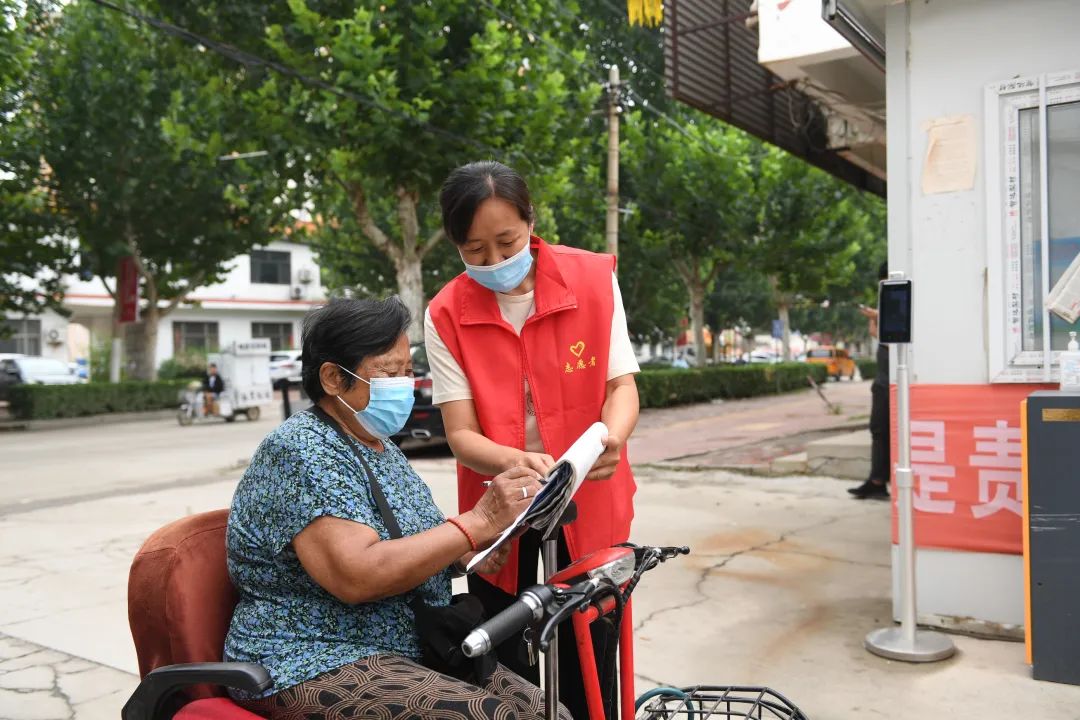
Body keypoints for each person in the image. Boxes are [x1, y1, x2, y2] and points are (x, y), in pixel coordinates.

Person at [224, 297, 570, 720]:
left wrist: (477, 545)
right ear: (333, 377)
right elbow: (357, 575)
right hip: (311, 656)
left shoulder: (378, 446)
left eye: (408, 371)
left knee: (548, 711)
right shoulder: (300, 450)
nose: (404, 384)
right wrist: (475, 521)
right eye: (389, 372)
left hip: (403, 643)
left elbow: (418, 539)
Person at [425, 161, 640, 719]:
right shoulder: (446, 312)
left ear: (531, 223)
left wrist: (612, 438)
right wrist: (516, 461)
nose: (494, 262)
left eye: (506, 242)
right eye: (474, 250)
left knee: (592, 652)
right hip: (502, 502)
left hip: (589, 493)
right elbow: (460, 434)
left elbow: (622, 385)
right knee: (506, 656)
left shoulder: (591, 278)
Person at [850, 261, 891, 500]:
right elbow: (876, 334)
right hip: (883, 375)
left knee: (883, 428)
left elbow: (893, 333)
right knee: (879, 429)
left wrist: (878, 314)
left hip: (890, 377)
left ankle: (879, 479)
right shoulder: (886, 299)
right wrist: (874, 316)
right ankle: (877, 480)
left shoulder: (900, 298)